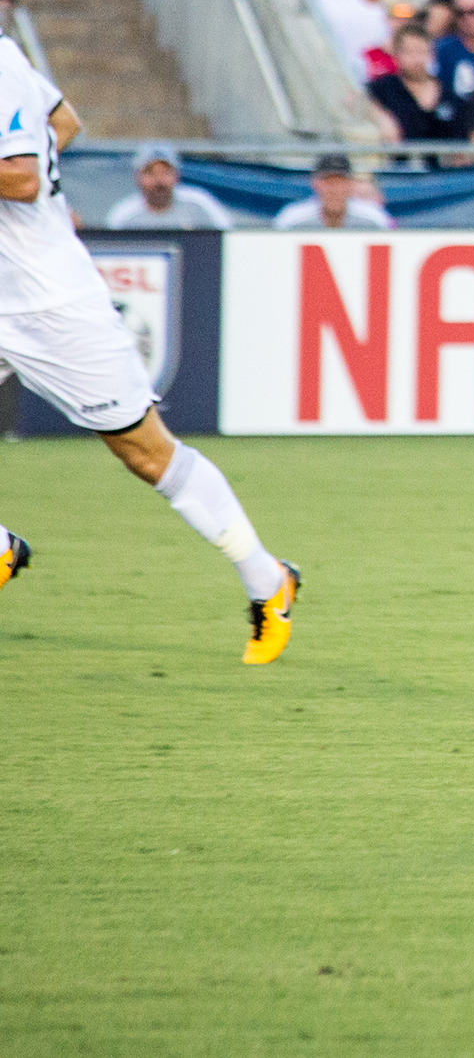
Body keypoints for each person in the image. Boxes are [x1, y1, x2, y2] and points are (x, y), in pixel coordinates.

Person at [0, 41, 302, 662]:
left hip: (50, 305)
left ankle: (267, 579)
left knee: (147, 453)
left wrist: (38, 190)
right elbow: (63, 122)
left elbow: (24, 178)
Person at [368, 23, 467, 148]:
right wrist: (379, 116)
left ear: (431, 54)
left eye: (421, 51)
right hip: (400, 159)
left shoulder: (449, 96)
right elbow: (358, 101)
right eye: (409, 52)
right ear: (396, 54)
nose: (416, 59)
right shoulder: (382, 89)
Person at [103, 141, 232, 230]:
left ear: (177, 175)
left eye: (165, 172)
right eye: (150, 173)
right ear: (137, 177)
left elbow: (229, 239)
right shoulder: (123, 216)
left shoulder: (200, 203)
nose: (159, 180)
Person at [272, 153, 394, 231]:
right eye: (329, 182)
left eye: (341, 182)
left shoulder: (373, 217)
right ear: (315, 183)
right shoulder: (293, 219)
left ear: (351, 184)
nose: (335, 190)